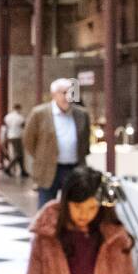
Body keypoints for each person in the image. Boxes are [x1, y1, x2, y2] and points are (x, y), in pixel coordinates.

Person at [22, 78, 91, 210]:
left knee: (74, 207)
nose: (67, 96)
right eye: (63, 93)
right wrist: (41, 156)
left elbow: (85, 141)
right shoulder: (40, 113)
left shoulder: (82, 114)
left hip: (74, 168)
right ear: (54, 95)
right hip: (49, 168)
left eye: (70, 93)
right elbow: (28, 140)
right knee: (46, 207)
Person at [2, 103, 25, 177]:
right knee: (18, 154)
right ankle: (8, 168)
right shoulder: (20, 117)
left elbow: (6, 127)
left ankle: (23, 171)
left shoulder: (8, 117)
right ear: (18, 108)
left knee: (20, 154)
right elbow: (23, 126)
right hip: (17, 137)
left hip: (10, 136)